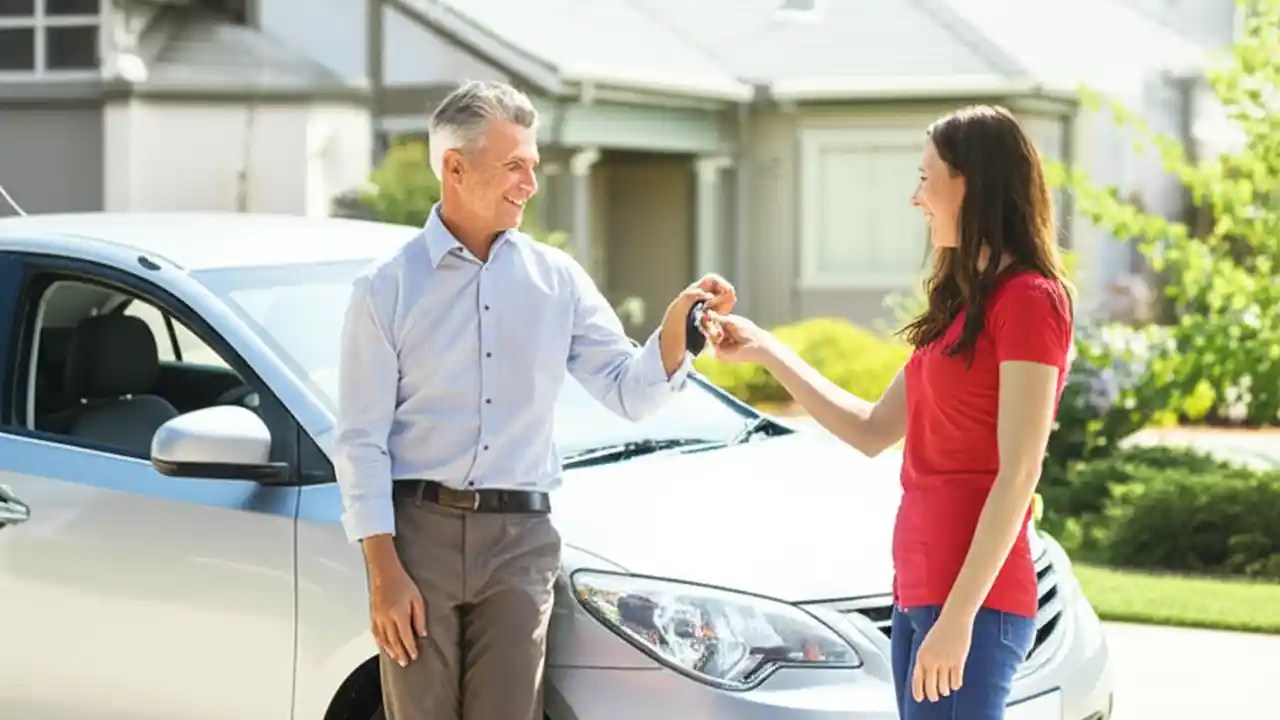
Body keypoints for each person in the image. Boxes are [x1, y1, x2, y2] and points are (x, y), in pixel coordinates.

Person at [332, 80, 735, 720]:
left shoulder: (557, 280)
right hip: (419, 539)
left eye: (533, 165)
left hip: (521, 539)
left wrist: (676, 328)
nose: (530, 183)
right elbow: (359, 439)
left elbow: (628, 391)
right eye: (513, 166)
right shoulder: (386, 289)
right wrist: (384, 573)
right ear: (455, 168)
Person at [704, 104, 1073, 719]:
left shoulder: (1031, 302)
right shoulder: (962, 309)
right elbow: (873, 429)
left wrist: (958, 619)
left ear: (970, 183)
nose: (915, 198)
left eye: (926, 178)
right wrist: (768, 351)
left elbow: (1019, 473)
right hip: (918, 591)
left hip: (972, 603)